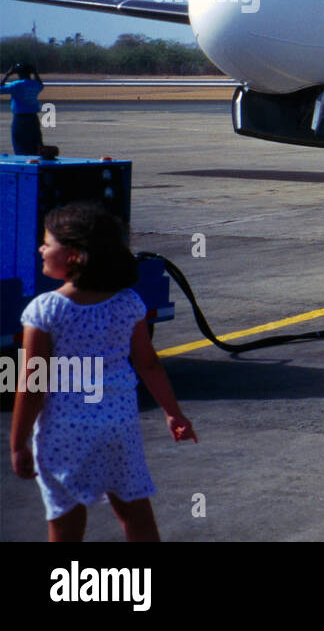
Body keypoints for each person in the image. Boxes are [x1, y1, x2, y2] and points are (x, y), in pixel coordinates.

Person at [10, 202, 197, 542]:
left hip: (63, 432)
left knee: (65, 523)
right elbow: (148, 364)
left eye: (47, 242)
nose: (41, 248)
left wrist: (17, 442)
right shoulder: (128, 303)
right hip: (118, 427)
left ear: (74, 255)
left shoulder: (45, 310)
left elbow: (32, 384)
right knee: (134, 513)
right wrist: (174, 414)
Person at [2, 62, 45, 155]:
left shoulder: (16, 85)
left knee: (19, 143)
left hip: (20, 119)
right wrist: (35, 73)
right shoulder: (35, 85)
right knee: (35, 143)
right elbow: (41, 85)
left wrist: (7, 75)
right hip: (33, 118)